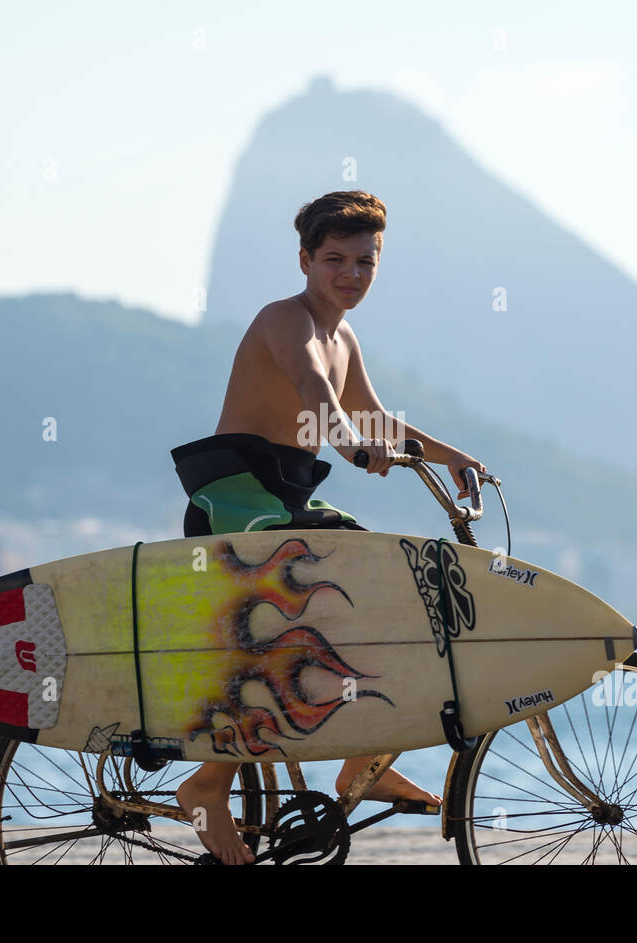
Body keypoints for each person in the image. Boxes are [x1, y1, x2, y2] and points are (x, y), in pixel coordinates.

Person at [170, 190, 486, 864]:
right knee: (267, 635)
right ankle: (205, 786)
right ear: (306, 260)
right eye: (336, 259)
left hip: (286, 496)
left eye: (366, 262)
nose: (352, 274)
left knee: (393, 589)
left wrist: (454, 456)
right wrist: (346, 446)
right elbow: (319, 395)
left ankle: (359, 761)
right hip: (238, 496)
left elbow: (372, 417)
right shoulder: (286, 320)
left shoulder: (345, 333)